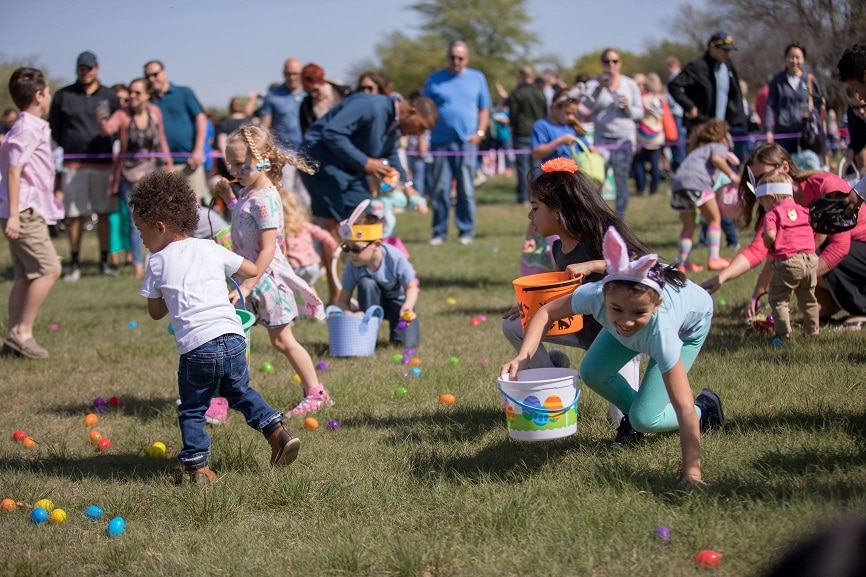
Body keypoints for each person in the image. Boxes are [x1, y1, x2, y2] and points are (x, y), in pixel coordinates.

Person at [502, 226, 725, 487]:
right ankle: (637, 419)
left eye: (638, 312)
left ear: (656, 305)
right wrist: (524, 357)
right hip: (641, 319)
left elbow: (683, 407)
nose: (626, 322)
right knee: (592, 372)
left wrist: (692, 474)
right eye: (616, 309)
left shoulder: (662, 334)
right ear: (604, 296)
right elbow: (546, 312)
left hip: (688, 329)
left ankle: (706, 409)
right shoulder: (597, 295)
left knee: (645, 419)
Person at [131, 170, 301, 484]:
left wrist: (170, 293)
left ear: (160, 227)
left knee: (194, 408)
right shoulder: (209, 247)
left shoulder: (156, 262)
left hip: (197, 348)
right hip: (234, 338)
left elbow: (155, 312)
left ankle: (198, 467)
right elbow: (251, 269)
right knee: (239, 392)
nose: (142, 238)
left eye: (142, 231)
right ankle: (276, 431)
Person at [501, 158, 646, 425]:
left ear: (558, 210)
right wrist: (528, 309)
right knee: (514, 325)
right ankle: (551, 379)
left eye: (535, 208)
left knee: (627, 422)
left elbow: (637, 266)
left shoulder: (602, 235)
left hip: (619, 338)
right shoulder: (558, 247)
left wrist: (594, 264)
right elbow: (562, 296)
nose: (530, 216)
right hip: (584, 329)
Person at [212, 125, 331, 418]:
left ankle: (316, 393)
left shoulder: (266, 199)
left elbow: (267, 249)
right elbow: (244, 222)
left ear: (262, 159)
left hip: (265, 281)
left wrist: (248, 286)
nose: (234, 170)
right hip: (246, 278)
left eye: (240, 164)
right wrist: (230, 198)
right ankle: (223, 399)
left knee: (282, 340)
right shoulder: (248, 191)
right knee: (232, 339)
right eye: (230, 164)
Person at [702, 142, 866, 331]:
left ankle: (860, 309)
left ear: (785, 168)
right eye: (754, 181)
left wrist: (796, 276)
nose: (758, 186)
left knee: (799, 256)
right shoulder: (777, 205)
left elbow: (839, 247)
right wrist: (721, 279)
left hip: (859, 250)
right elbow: (758, 250)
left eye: (762, 177)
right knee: (793, 258)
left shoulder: (826, 185)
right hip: (841, 258)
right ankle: (832, 305)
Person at [300, 92, 438, 304]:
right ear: (412, 112)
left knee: (365, 225)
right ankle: (338, 298)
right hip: (321, 165)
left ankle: (367, 290)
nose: (418, 134)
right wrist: (366, 162)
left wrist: (408, 186)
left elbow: (390, 154)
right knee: (335, 231)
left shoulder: (393, 124)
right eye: (420, 127)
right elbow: (332, 133)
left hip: (350, 169)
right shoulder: (369, 106)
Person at [0, 67, 62, 359]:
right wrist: (14, 214)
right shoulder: (26, 127)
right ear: (38, 95)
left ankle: (12, 337)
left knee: (25, 275)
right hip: (23, 210)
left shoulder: (32, 126)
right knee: (49, 270)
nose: (48, 96)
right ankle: (22, 332)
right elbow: (14, 170)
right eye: (47, 91)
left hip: (24, 208)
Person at [49, 51, 120, 281]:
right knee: (74, 215)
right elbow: (55, 128)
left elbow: (117, 126)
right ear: (76, 69)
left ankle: (104, 262)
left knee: (103, 213)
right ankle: (75, 263)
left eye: (89, 68)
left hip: (103, 164)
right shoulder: (64, 95)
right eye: (81, 68)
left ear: (96, 69)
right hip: (74, 165)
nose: (85, 72)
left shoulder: (109, 96)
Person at [99, 77, 173, 278]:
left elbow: (162, 139)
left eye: (137, 93)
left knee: (158, 217)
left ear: (147, 95)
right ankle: (137, 265)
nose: (132, 96)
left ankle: (158, 259)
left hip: (154, 173)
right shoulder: (122, 114)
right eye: (131, 92)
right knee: (136, 220)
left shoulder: (154, 112)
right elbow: (107, 130)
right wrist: (102, 120)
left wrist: (168, 164)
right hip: (129, 175)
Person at [423, 40, 492, 246]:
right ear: (448, 58)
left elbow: (484, 109)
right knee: (440, 189)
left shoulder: (477, 78)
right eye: (452, 57)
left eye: (460, 57)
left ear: (466, 58)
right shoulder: (435, 79)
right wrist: (422, 137)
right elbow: (424, 109)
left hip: (467, 143)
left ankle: (466, 230)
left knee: (466, 189)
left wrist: (480, 132)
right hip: (440, 142)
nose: (456, 61)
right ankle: (439, 231)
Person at [335, 211, 421, 348]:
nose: (350, 254)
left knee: (407, 344)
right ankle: (368, 334)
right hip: (372, 304)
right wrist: (349, 314)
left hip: (399, 304)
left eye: (356, 249)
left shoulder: (394, 258)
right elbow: (342, 301)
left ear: (376, 245)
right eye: (346, 247)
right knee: (366, 282)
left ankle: (396, 333)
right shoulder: (353, 266)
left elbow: (412, 287)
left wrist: (407, 307)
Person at [753, 171, 819, 339]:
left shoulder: (773, 213)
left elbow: (770, 235)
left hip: (788, 262)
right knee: (808, 299)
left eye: (763, 202)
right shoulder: (804, 211)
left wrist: (767, 242)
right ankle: (813, 332)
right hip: (811, 260)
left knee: (778, 300)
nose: (763, 207)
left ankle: (783, 335)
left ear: (771, 197)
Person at [669, 119, 738, 273]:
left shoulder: (697, 151)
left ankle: (682, 263)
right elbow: (717, 159)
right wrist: (734, 176)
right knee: (714, 219)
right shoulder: (718, 146)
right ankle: (714, 258)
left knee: (688, 226)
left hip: (678, 185)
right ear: (722, 137)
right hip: (697, 183)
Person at [582, 48, 642, 219]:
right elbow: (585, 105)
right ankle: (598, 219)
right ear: (602, 63)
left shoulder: (630, 84)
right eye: (607, 61)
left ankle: (619, 220)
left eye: (615, 61)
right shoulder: (594, 84)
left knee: (621, 181)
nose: (611, 65)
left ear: (620, 63)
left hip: (624, 139)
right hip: (602, 139)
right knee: (596, 180)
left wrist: (628, 108)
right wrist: (599, 89)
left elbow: (640, 113)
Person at [144, 60, 209, 203]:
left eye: (155, 74)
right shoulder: (148, 100)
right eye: (148, 76)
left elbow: (200, 118)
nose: (152, 79)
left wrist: (198, 149)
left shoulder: (184, 92)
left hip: (189, 163)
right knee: (167, 208)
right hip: (161, 165)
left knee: (194, 206)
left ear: (164, 72)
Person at [259, 58, 309, 206]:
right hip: (283, 152)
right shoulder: (273, 96)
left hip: (307, 152)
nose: (292, 77)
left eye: (295, 74)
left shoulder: (309, 93)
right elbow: (264, 126)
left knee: (306, 196)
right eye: (289, 74)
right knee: (285, 193)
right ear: (283, 73)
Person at [764, 43, 824, 154]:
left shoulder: (809, 80)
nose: (794, 61)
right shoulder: (777, 80)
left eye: (798, 57)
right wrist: (768, 130)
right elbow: (770, 105)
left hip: (804, 133)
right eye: (791, 57)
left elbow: (818, 103)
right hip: (783, 133)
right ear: (785, 58)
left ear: (803, 59)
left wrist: (812, 114)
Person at [281, 185, 336, 294]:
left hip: (295, 266)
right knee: (310, 288)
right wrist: (333, 247)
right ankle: (316, 305)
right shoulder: (304, 225)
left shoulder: (283, 230)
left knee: (294, 292)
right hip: (312, 265)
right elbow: (323, 235)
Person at [509, 65, 548, 204]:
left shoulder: (517, 93)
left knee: (522, 167)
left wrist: (512, 126)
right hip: (538, 134)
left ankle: (523, 197)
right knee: (537, 167)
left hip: (522, 133)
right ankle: (538, 195)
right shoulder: (540, 93)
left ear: (520, 76)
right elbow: (545, 113)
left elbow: (513, 114)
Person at [838, 45, 866, 216]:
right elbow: (858, 140)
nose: (860, 97)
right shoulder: (852, 114)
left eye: (856, 89)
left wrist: (860, 191)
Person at [530, 88, 591, 164]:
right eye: (567, 113)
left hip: (575, 169)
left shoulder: (572, 125)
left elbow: (589, 147)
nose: (571, 117)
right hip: (554, 170)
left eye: (574, 113)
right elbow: (536, 154)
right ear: (555, 107)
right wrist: (559, 142)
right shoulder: (542, 125)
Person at [634, 73, 669, 196]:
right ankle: (654, 188)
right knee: (655, 163)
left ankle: (641, 187)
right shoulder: (661, 100)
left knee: (639, 162)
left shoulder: (643, 99)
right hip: (657, 135)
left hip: (643, 134)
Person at [299, 63, 353, 136]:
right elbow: (307, 133)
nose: (313, 95)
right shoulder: (306, 106)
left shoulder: (346, 93)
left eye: (316, 90)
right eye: (309, 92)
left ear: (323, 81)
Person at [663, 56, 687, 171]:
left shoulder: (673, 79)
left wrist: (663, 99)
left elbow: (671, 98)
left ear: (670, 66)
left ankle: (679, 166)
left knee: (676, 141)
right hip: (683, 113)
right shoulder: (684, 77)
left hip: (675, 114)